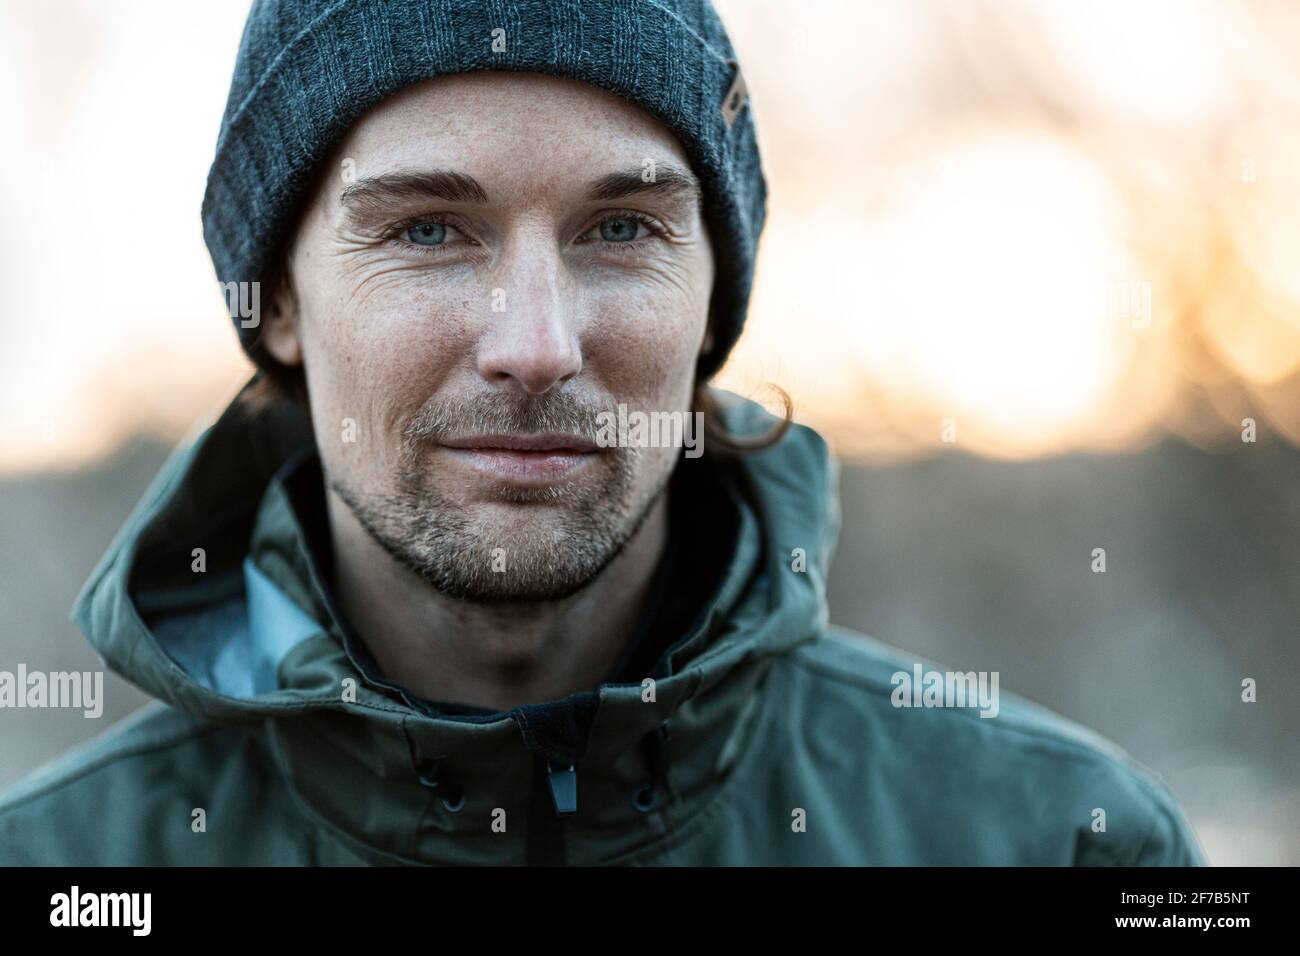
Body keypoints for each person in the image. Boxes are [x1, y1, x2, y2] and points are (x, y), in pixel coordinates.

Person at [0, 0, 1205, 866]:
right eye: (426, 230)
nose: (536, 343)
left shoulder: (1058, 842)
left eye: (621, 229)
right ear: (275, 303)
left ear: (712, 303)